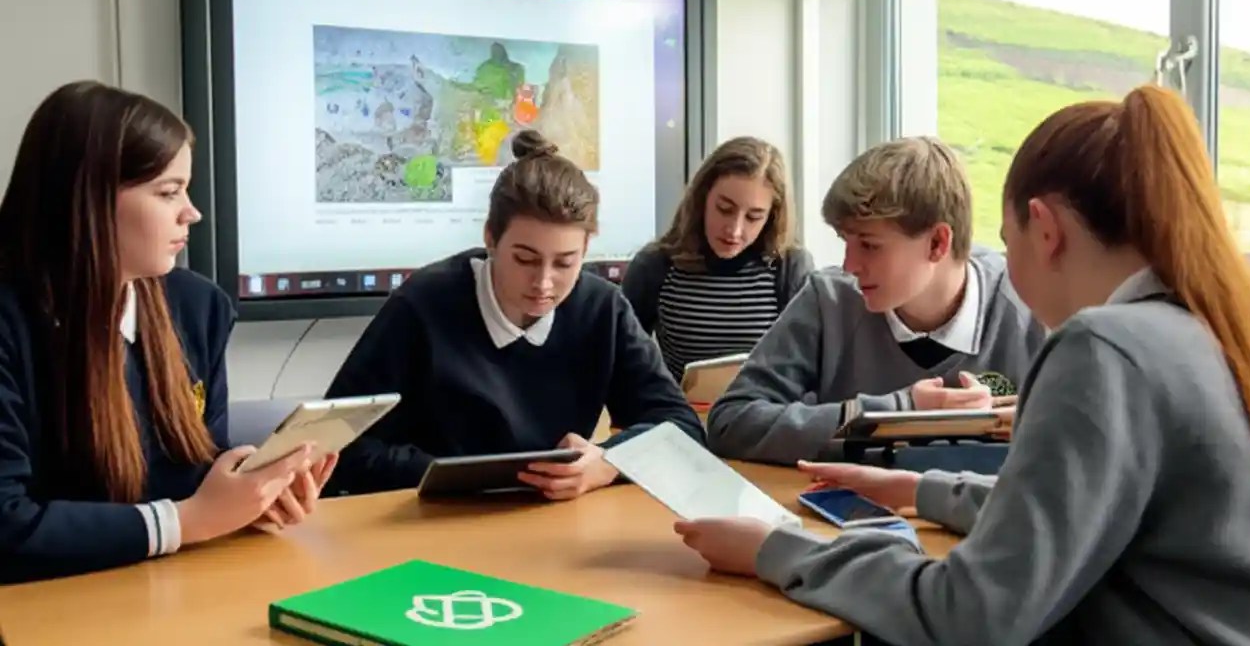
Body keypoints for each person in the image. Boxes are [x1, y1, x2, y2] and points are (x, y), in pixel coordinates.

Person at [675, 85, 1250, 644]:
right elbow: (1079, 517)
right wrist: (927, 490)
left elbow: (968, 615)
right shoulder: (1212, 326)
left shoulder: (1104, 345)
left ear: (1043, 230)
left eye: (1005, 238)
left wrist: (777, 551)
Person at [0, 81, 334, 584]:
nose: (191, 212)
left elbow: (201, 466)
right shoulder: (13, 323)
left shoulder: (197, 307)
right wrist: (190, 520)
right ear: (85, 199)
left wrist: (253, 495)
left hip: (169, 589)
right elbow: (8, 526)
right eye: (168, 192)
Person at [324, 130, 704, 497]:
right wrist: (451, 477)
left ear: (587, 247)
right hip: (428, 522)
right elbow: (336, 449)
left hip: (546, 524)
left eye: (565, 263)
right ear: (490, 237)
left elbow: (682, 427)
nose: (543, 283)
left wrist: (609, 461)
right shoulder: (422, 304)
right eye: (525, 259)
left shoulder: (602, 308)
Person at [707, 136, 1043, 464]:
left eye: (869, 245)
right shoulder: (828, 299)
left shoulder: (1031, 306)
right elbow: (730, 422)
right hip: (840, 517)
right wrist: (897, 410)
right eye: (845, 241)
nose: (849, 266)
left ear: (937, 243)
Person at [622, 137, 813, 380]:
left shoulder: (789, 266)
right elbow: (622, 360)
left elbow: (807, 367)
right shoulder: (656, 264)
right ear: (702, 199)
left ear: (771, 218)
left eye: (753, 217)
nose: (734, 230)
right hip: (681, 413)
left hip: (766, 412)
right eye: (724, 209)